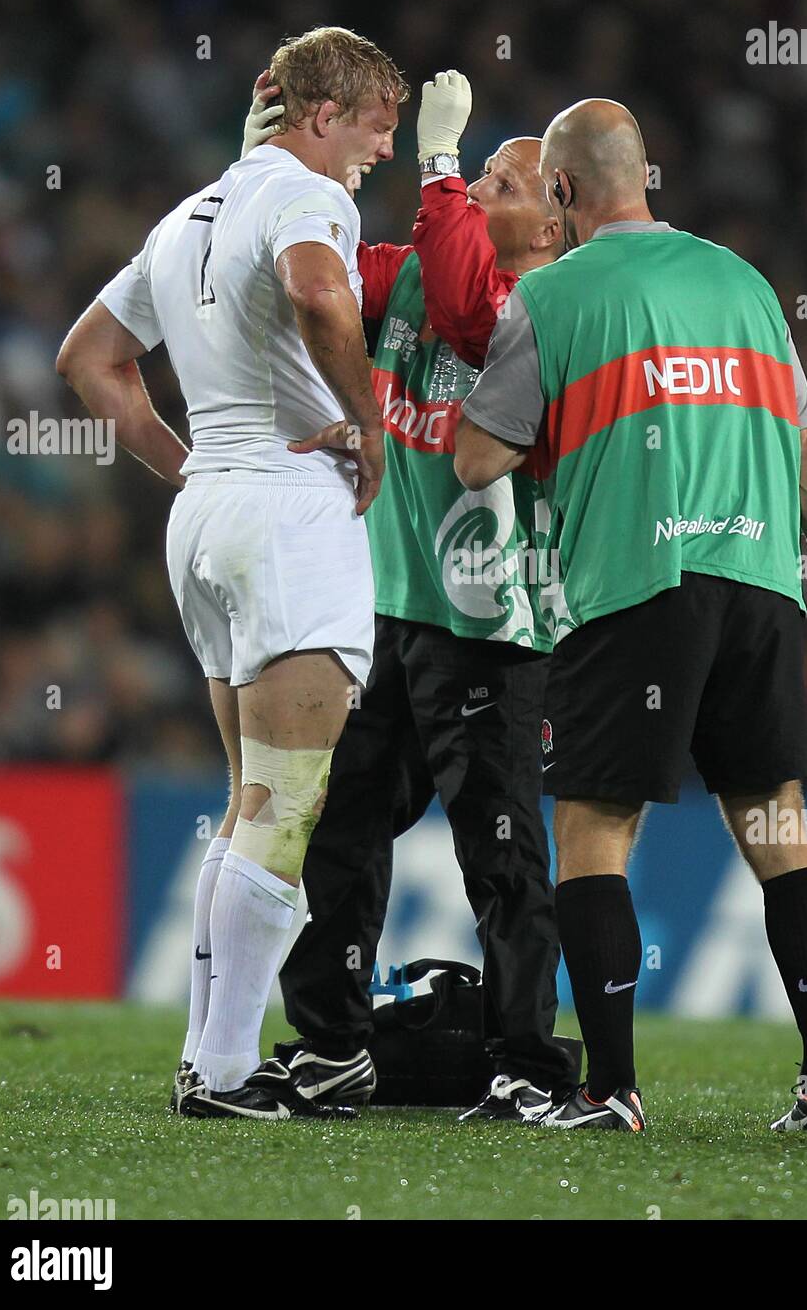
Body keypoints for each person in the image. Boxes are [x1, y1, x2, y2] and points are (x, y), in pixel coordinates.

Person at [455, 98, 807, 1133]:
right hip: (758, 580)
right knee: (777, 828)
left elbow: (477, 457)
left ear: (559, 191)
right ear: (645, 174)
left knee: (594, 832)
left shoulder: (552, 296)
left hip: (635, 583)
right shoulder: (742, 284)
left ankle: (606, 1089)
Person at [56, 26, 407, 1119]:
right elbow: (315, 290)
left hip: (208, 511)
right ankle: (218, 1073)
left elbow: (90, 360)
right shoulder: (313, 198)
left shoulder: (186, 216)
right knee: (285, 803)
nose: (382, 153)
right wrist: (369, 416)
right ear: (320, 116)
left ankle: (215, 1061)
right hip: (288, 510)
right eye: (375, 127)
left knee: (249, 801)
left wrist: (189, 465)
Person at [242, 70, 575, 1121]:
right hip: (378, 611)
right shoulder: (417, 273)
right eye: (472, 173)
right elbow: (320, 280)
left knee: (500, 849)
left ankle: (523, 1059)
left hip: (488, 623)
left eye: (504, 180)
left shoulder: (541, 307)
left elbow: (475, 307)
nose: (480, 186)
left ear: (556, 224)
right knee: (339, 829)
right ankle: (331, 1045)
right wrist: (285, 164)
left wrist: (436, 170)